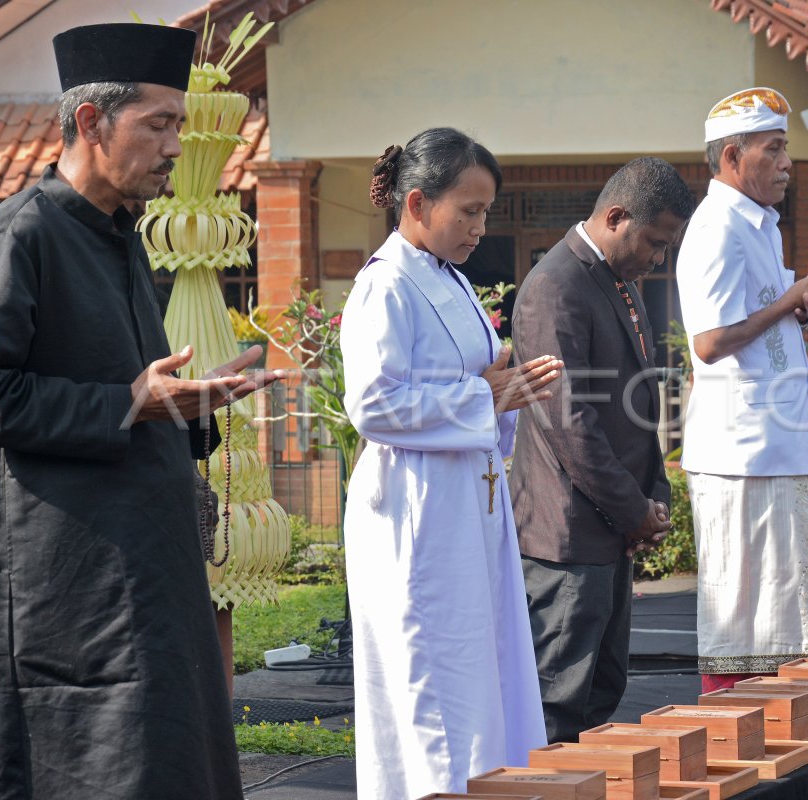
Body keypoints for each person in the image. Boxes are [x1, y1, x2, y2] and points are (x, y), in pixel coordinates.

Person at [0, 24, 280, 799]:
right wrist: (129, 402)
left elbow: (133, 394)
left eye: (179, 128)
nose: (174, 148)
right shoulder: (17, 237)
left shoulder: (121, 236)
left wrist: (189, 405)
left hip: (140, 576)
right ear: (91, 122)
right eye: (157, 124)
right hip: (58, 595)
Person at [341, 127, 560, 799]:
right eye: (468, 210)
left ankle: (490, 784)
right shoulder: (384, 286)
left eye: (486, 210)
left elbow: (474, 384)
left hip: (466, 499)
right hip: (415, 507)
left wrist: (502, 386)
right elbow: (374, 404)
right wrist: (484, 396)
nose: (479, 225)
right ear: (416, 204)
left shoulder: (450, 280)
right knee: (434, 675)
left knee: (483, 662)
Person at [511, 157, 692, 743]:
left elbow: (636, 405)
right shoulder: (555, 287)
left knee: (603, 690)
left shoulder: (617, 281)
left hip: (608, 527)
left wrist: (652, 496)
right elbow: (570, 424)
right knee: (559, 702)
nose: (659, 258)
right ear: (616, 217)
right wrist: (632, 509)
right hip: (567, 534)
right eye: (655, 242)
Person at [675, 87, 808, 692]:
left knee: (786, 614)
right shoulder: (717, 226)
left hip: (773, 442)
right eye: (772, 149)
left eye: (786, 149)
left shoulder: (759, 226)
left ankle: (782, 734)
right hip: (739, 453)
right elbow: (710, 341)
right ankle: (736, 745)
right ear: (730, 158)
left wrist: (800, 308)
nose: (786, 163)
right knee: (747, 621)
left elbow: (760, 320)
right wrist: (789, 299)